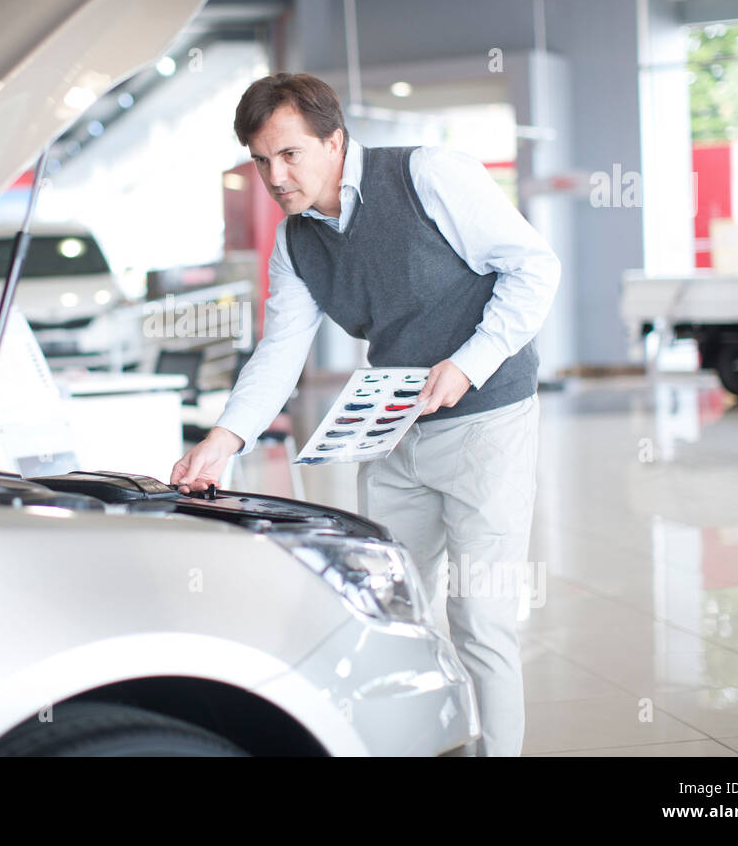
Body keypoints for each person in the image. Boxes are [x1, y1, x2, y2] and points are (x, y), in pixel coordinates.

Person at [169, 72, 561, 756]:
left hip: (486, 424)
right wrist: (225, 438)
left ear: (334, 139)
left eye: (289, 153)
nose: (276, 175)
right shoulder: (296, 244)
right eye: (261, 160)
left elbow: (534, 269)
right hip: (392, 433)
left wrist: (470, 361)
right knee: (384, 610)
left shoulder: (427, 176)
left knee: (481, 614)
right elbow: (282, 348)